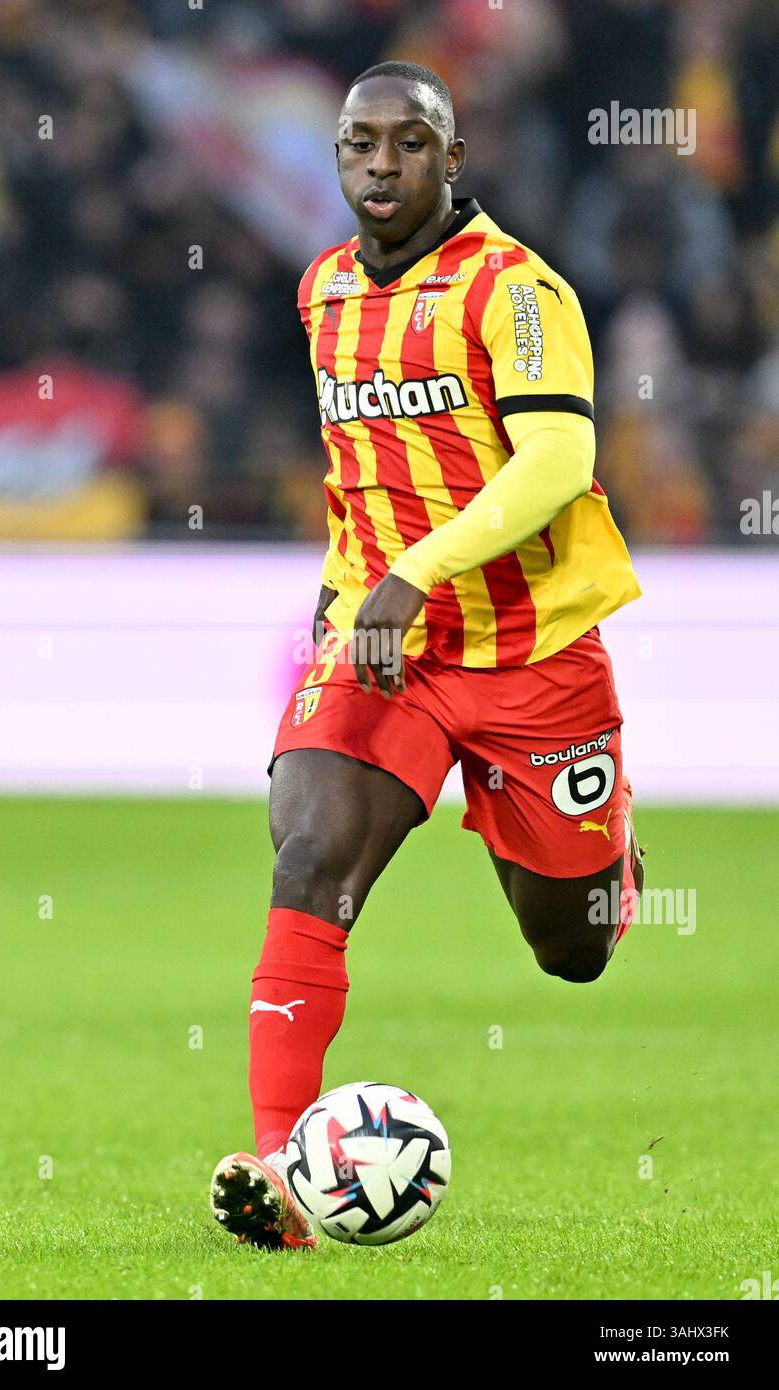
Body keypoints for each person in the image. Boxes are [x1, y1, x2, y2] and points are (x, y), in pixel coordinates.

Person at [210, 60, 644, 1251]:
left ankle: (608, 856)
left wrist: (416, 571)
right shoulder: (320, 293)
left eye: (410, 144)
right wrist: (348, 582)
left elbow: (554, 461)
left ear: (453, 161)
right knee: (309, 856)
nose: (381, 166)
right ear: (339, 158)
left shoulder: (514, 290)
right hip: (384, 640)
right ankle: (279, 1169)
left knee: (572, 947)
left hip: (530, 653)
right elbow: (364, 462)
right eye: (360, 145)